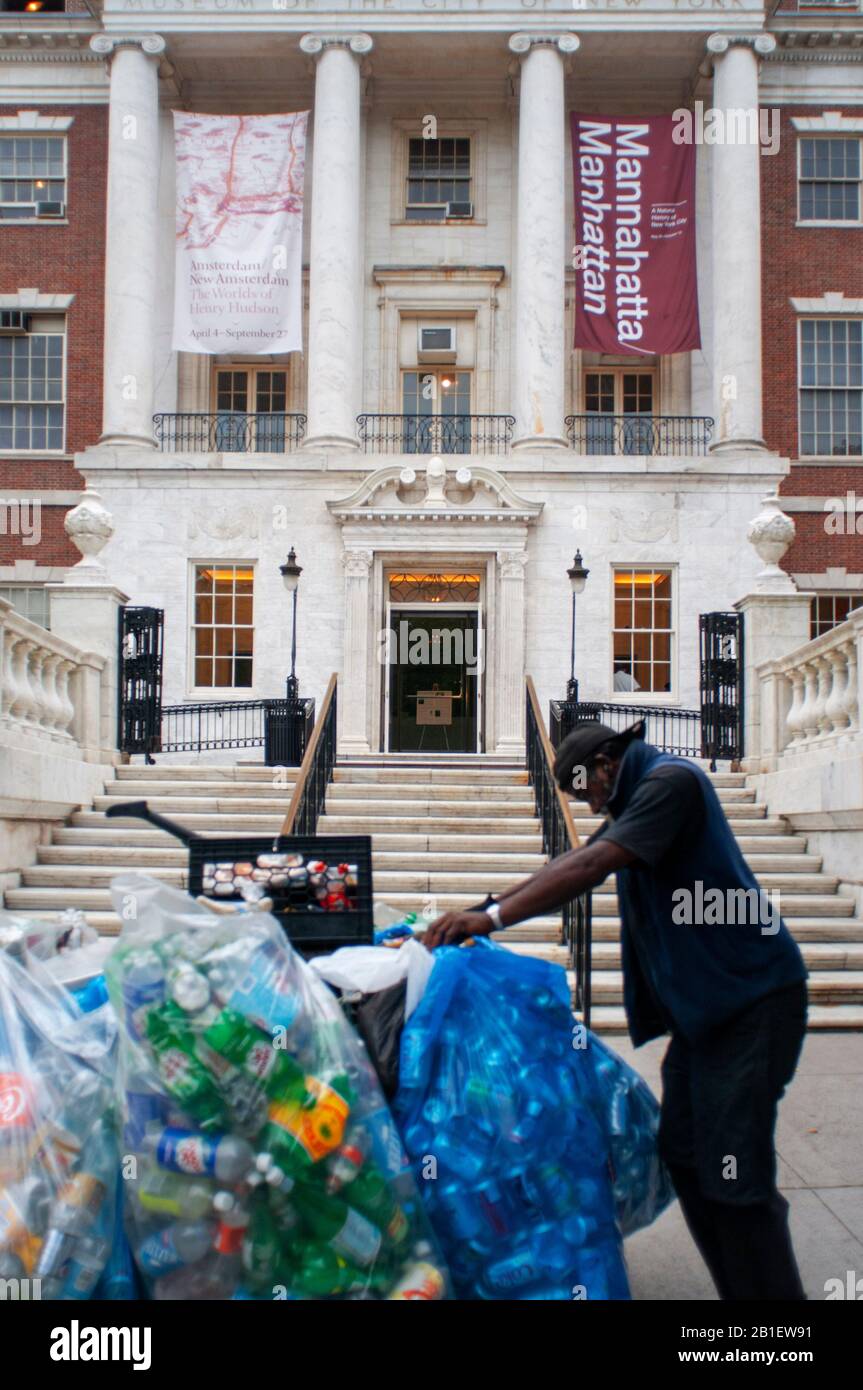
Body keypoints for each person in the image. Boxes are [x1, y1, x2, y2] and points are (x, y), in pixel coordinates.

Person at [424, 718, 809, 1302]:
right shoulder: (636, 800)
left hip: (753, 1005)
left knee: (735, 1175)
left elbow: (590, 865)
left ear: (607, 760)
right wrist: (486, 907)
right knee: (685, 1156)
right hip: (709, 1018)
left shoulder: (671, 782)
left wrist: (494, 918)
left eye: (586, 789)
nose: (588, 801)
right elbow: (575, 860)